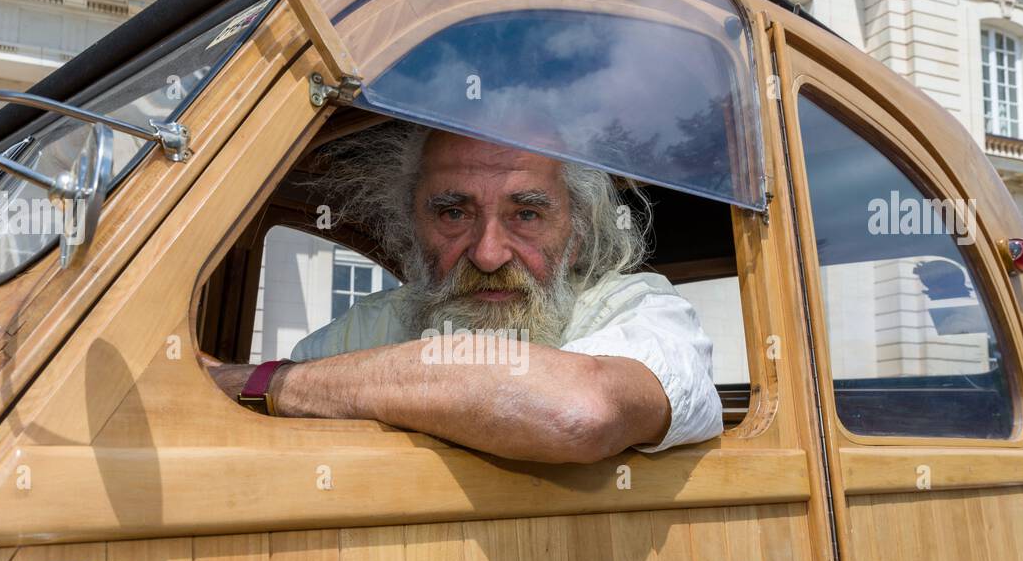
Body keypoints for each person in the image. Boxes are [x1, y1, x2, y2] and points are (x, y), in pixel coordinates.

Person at [208, 124, 722, 464]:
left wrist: (262, 381)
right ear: (412, 228)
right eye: (454, 213)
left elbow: (580, 411)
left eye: (527, 214)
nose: (488, 254)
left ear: (578, 233)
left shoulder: (642, 310)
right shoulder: (361, 330)